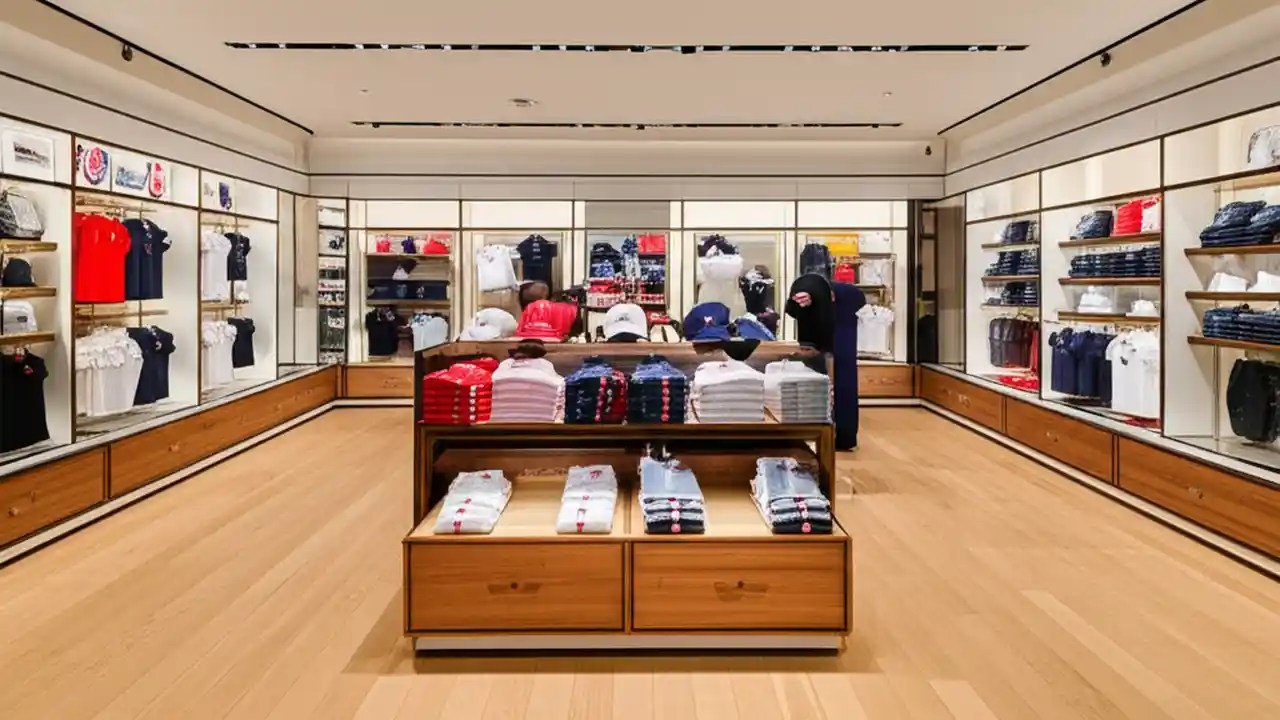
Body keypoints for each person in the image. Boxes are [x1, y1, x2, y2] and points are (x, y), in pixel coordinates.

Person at [786, 274, 866, 450]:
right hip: (833, 307)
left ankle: (839, 434)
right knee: (837, 371)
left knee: (839, 371)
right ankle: (840, 434)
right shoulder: (810, 296)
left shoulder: (834, 296)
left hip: (837, 309)